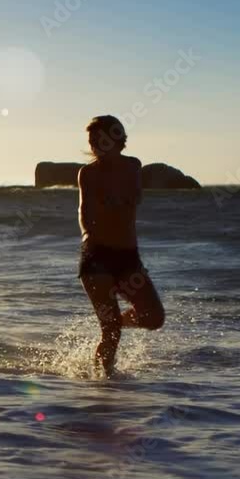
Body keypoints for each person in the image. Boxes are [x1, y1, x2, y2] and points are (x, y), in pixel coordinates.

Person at [77, 115, 165, 377]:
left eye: (101, 139)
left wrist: (119, 201)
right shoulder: (87, 173)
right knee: (110, 331)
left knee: (153, 317)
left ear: (117, 139)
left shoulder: (132, 166)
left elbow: (134, 196)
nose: (95, 145)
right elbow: (84, 213)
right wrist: (94, 225)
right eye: (92, 141)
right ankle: (103, 385)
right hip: (96, 258)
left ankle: (115, 321)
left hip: (127, 258)